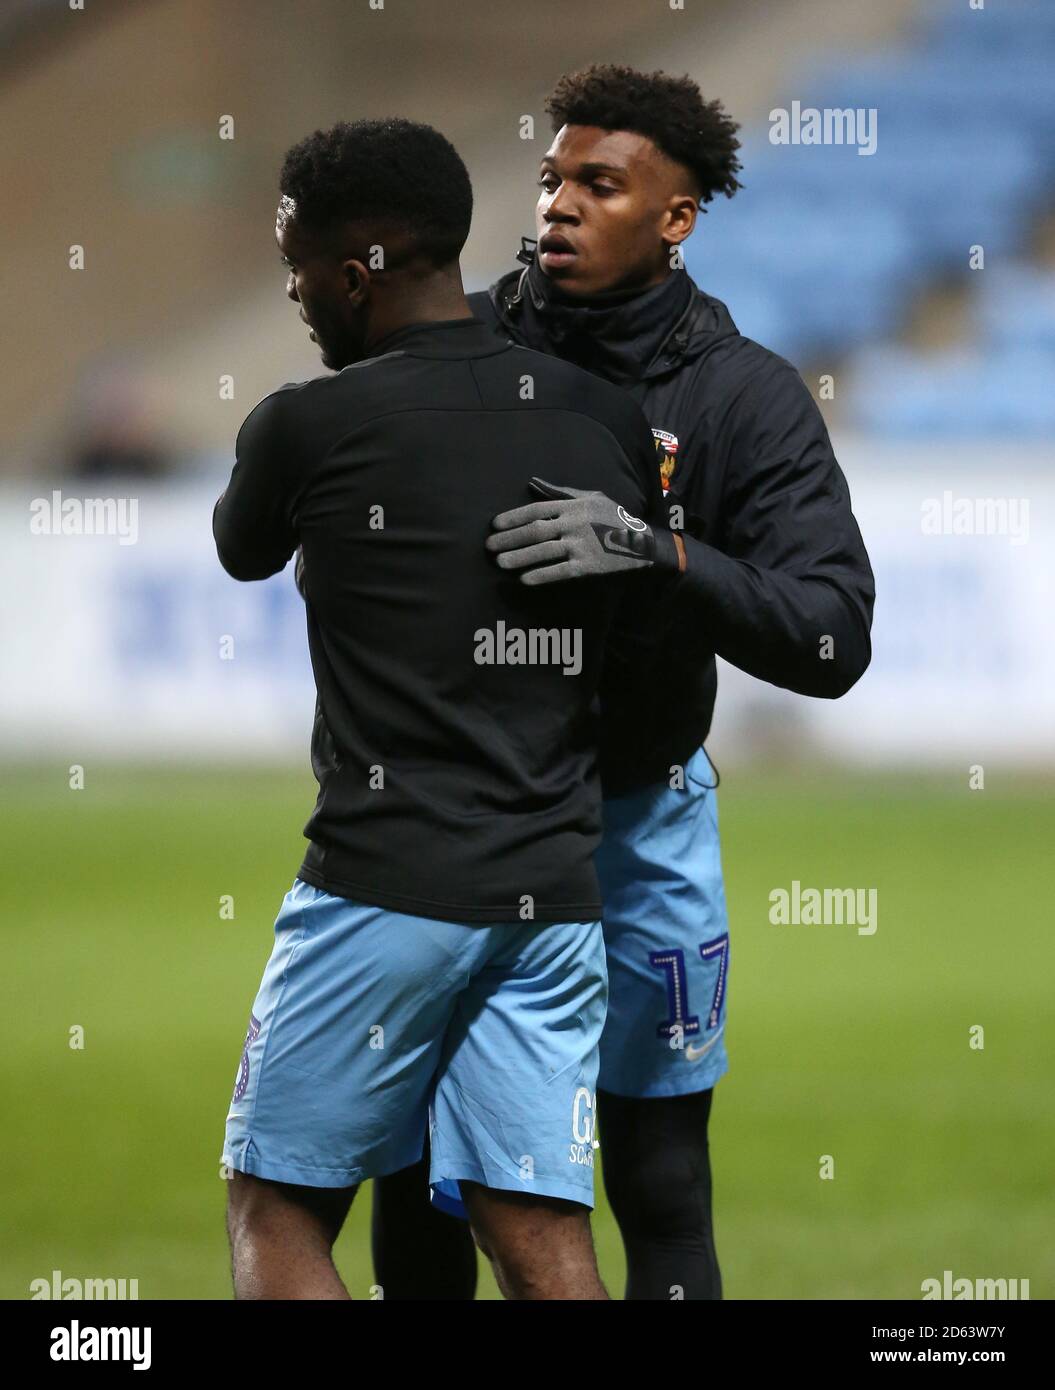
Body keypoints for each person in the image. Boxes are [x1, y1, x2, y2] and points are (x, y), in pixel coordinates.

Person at [373, 66, 875, 1301]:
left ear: (674, 217)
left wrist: (658, 555)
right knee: (421, 1170)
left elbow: (830, 636)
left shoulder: (741, 398)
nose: (556, 205)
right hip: (460, 822)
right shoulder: (454, 354)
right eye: (551, 179)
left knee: (656, 1177)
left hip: (636, 824)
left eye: (599, 184)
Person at [213, 115, 663, 1300]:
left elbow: (242, 547)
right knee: (538, 1229)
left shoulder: (306, 423)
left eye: (297, 259)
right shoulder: (600, 415)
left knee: (277, 1208)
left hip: (381, 883)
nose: (294, 288)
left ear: (354, 267)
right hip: (555, 894)